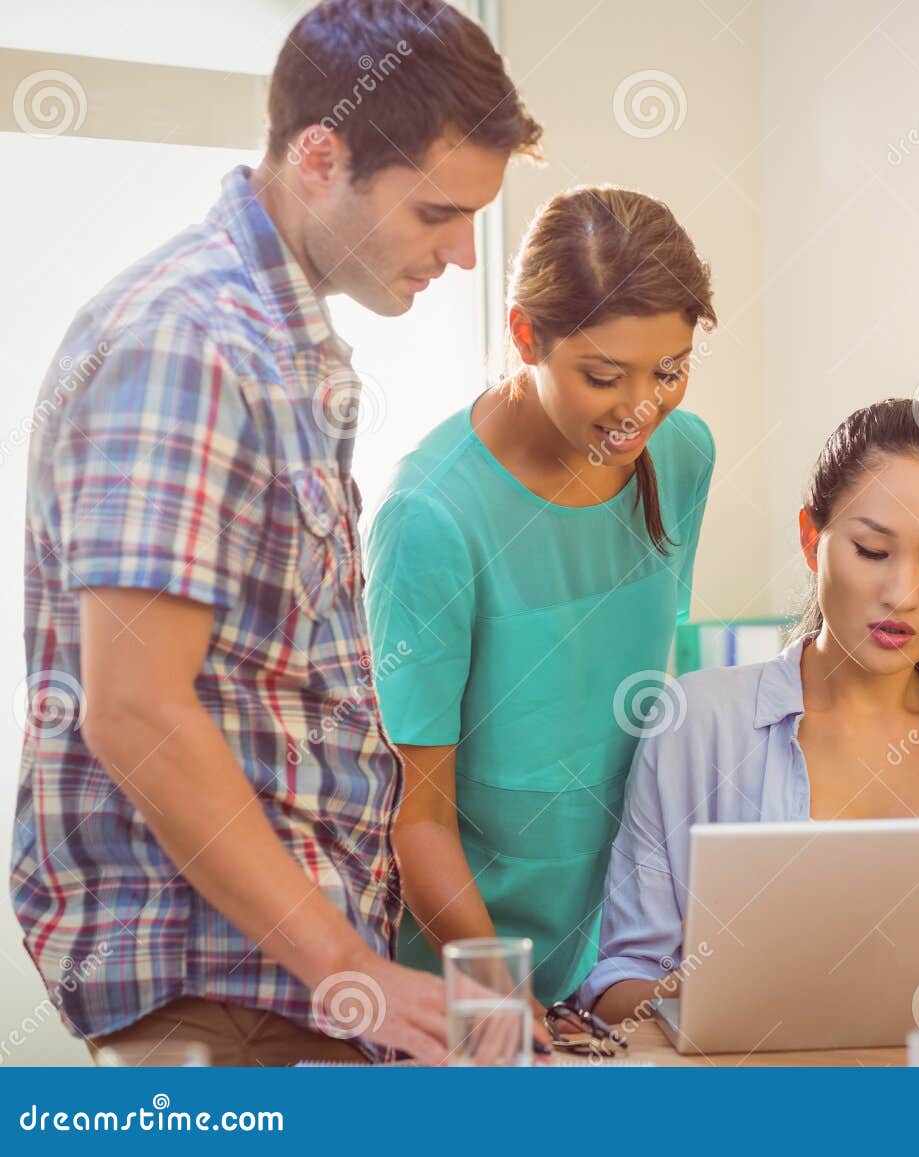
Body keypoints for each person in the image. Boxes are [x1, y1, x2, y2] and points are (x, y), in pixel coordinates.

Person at [11, 0, 544, 1066]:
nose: (461, 248)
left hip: (279, 978)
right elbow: (134, 707)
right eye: (437, 212)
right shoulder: (192, 342)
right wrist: (349, 970)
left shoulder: (282, 344)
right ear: (318, 154)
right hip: (216, 981)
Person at [577, 398, 919, 1026]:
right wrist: (743, 996)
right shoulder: (699, 722)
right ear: (812, 538)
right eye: (872, 551)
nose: (902, 595)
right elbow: (620, 985)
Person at [364, 186, 717, 1012]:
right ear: (525, 334)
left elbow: (630, 719)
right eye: (604, 375)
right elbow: (416, 821)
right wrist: (505, 1002)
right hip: (462, 967)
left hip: (616, 956)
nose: (641, 410)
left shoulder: (683, 455)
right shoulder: (431, 517)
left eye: (669, 371)